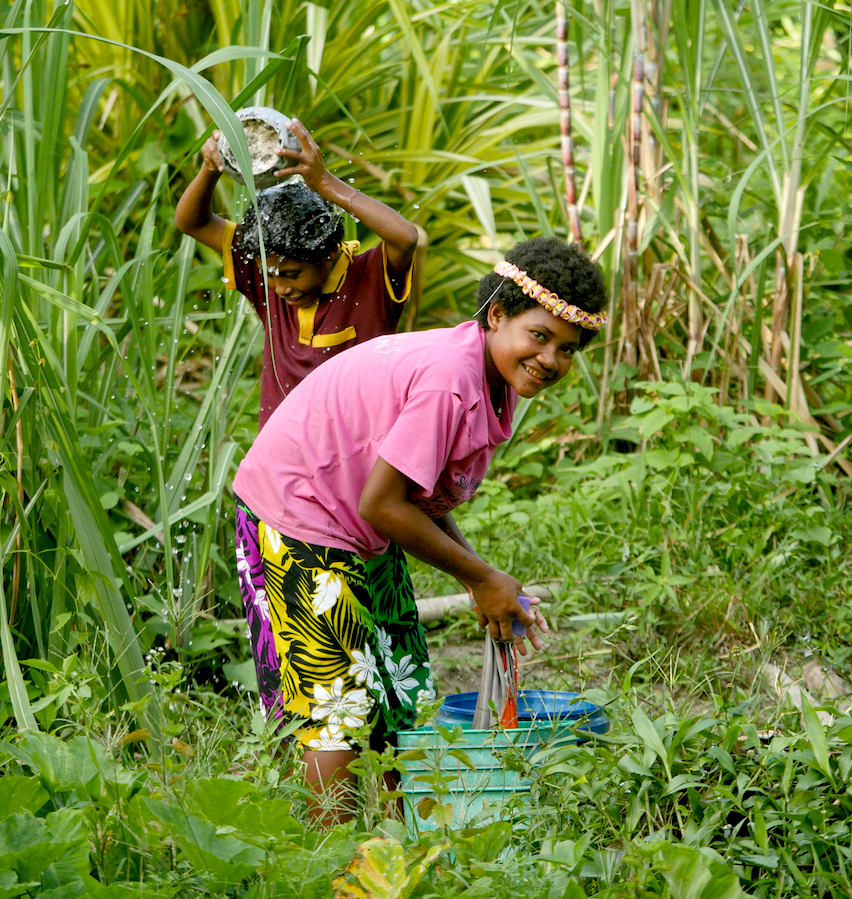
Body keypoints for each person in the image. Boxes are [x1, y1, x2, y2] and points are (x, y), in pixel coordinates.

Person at [231, 236, 608, 824]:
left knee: (396, 687)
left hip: (354, 521)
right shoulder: (450, 379)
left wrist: (481, 577)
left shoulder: (490, 376)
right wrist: (481, 578)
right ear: (499, 314)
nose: (552, 360)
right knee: (339, 708)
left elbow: (415, 496)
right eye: (540, 336)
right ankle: (329, 859)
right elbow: (383, 503)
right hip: (299, 513)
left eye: (568, 349)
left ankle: (398, 840)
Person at [174, 118, 420, 723]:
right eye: (271, 272)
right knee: (304, 652)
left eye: (293, 274)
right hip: (287, 489)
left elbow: (406, 236)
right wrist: (209, 168)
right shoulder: (264, 276)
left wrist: (325, 181)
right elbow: (193, 222)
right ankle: (312, 754)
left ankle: (391, 756)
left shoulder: (367, 277)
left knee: (378, 638)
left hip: (362, 485)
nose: (279, 286)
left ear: (332, 254)